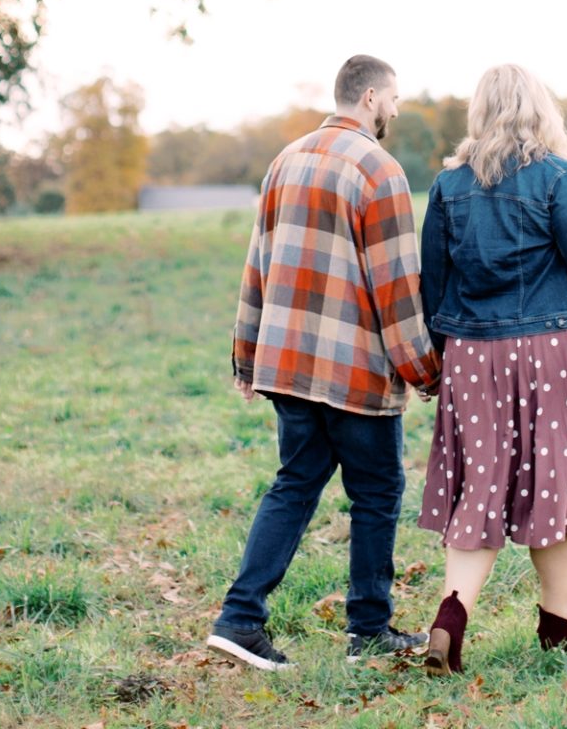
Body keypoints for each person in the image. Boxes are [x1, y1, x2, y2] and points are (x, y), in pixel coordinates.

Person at [416, 64, 567, 674]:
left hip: (474, 356)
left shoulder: (448, 188)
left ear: (479, 113)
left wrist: (433, 361)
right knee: (562, 484)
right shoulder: (562, 179)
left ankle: (451, 615)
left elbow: (434, 283)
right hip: (560, 355)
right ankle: (559, 628)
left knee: (481, 488)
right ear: (542, 111)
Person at [206, 55, 442, 671]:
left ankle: (239, 618)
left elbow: (257, 262)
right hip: (353, 370)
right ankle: (367, 629)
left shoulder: (285, 160)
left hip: (286, 361)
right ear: (369, 97)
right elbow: (395, 284)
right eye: (392, 99)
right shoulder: (380, 170)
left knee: (295, 482)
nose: (395, 110)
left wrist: (246, 354)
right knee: (378, 489)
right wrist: (424, 370)